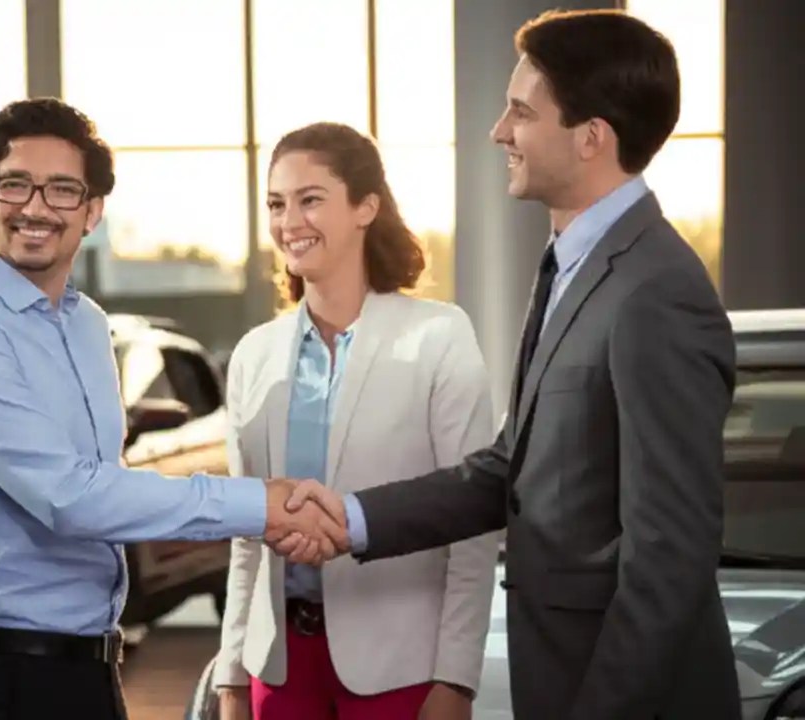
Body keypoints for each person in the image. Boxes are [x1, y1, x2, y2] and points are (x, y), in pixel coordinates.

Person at [281, 9, 741, 720]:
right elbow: (510, 470)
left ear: (592, 137)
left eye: (521, 113)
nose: (500, 132)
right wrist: (354, 518)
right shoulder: (574, 266)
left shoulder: (657, 292)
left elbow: (668, 561)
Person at [0, 97, 351, 720]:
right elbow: (73, 497)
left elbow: (104, 478)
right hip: (0, 680)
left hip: (90, 667)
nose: (35, 208)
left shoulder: (85, 324)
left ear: (92, 211)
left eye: (61, 190)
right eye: (14, 185)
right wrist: (259, 504)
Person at [213, 123, 499, 720]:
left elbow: (473, 527)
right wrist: (232, 675)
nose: (290, 221)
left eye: (310, 199)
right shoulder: (253, 354)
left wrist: (457, 679)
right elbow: (247, 534)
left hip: (402, 667)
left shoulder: (438, 337)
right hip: (281, 669)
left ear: (366, 206)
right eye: (277, 203)